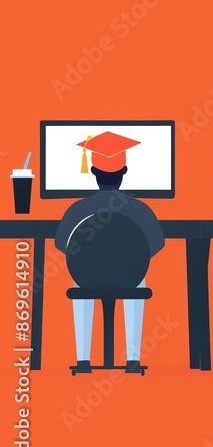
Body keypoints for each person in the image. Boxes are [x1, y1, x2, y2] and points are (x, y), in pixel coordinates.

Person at [55, 131, 164, 374]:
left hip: (87, 277)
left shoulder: (78, 209)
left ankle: (83, 361)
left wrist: (92, 259)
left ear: (94, 173)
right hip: (129, 277)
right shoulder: (140, 209)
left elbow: (63, 244)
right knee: (139, 278)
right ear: (123, 173)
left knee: (78, 276)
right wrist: (129, 260)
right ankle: (132, 360)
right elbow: (156, 244)